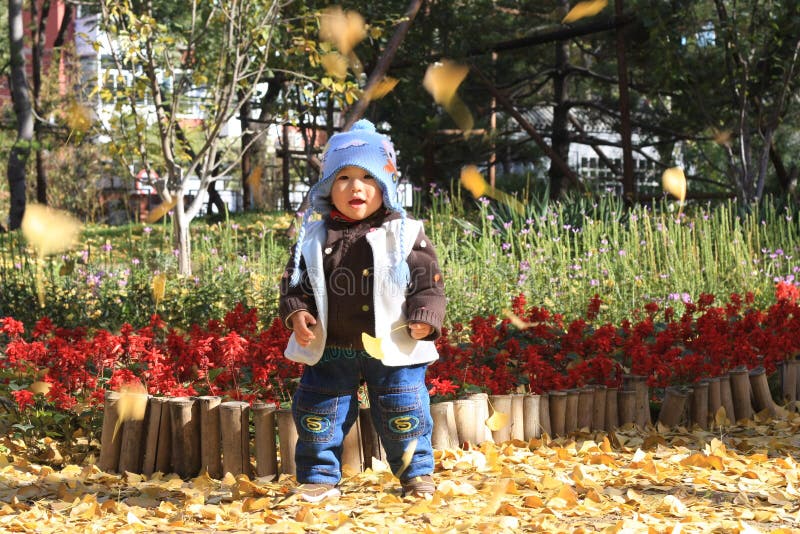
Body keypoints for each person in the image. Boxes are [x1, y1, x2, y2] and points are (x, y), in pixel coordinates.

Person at [279, 119, 446, 503]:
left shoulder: (404, 233)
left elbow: (428, 282)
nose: (356, 187)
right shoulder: (313, 237)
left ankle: (416, 475)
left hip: (393, 346)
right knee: (319, 413)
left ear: (385, 186)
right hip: (331, 346)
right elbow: (295, 282)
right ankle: (319, 477)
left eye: (368, 178)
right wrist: (297, 312)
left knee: (403, 410)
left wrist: (424, 315)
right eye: (343, 178)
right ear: (327, 187)